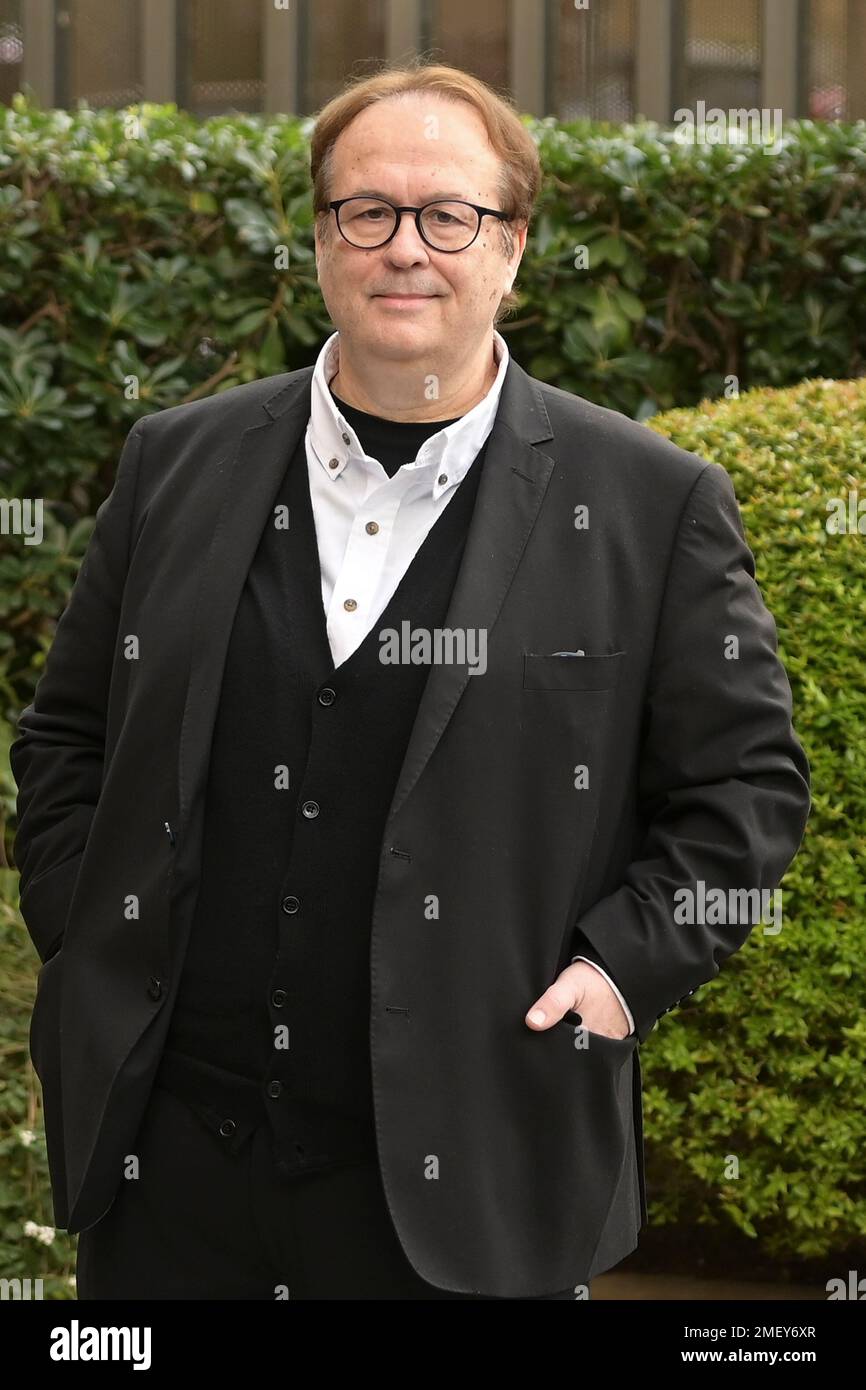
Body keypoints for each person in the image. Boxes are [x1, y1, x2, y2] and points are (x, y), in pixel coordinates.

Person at [10, 62, 811, 1301]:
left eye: (450, 215)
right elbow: (66, 734)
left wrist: (615, 974)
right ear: (323, 238)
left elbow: (746, 797)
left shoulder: (651, 506)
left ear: (514, 249)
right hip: (172, 1180)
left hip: (475, 1183)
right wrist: (85, 930)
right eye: (365, 211)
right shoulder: (176, 462)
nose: (405, 248)